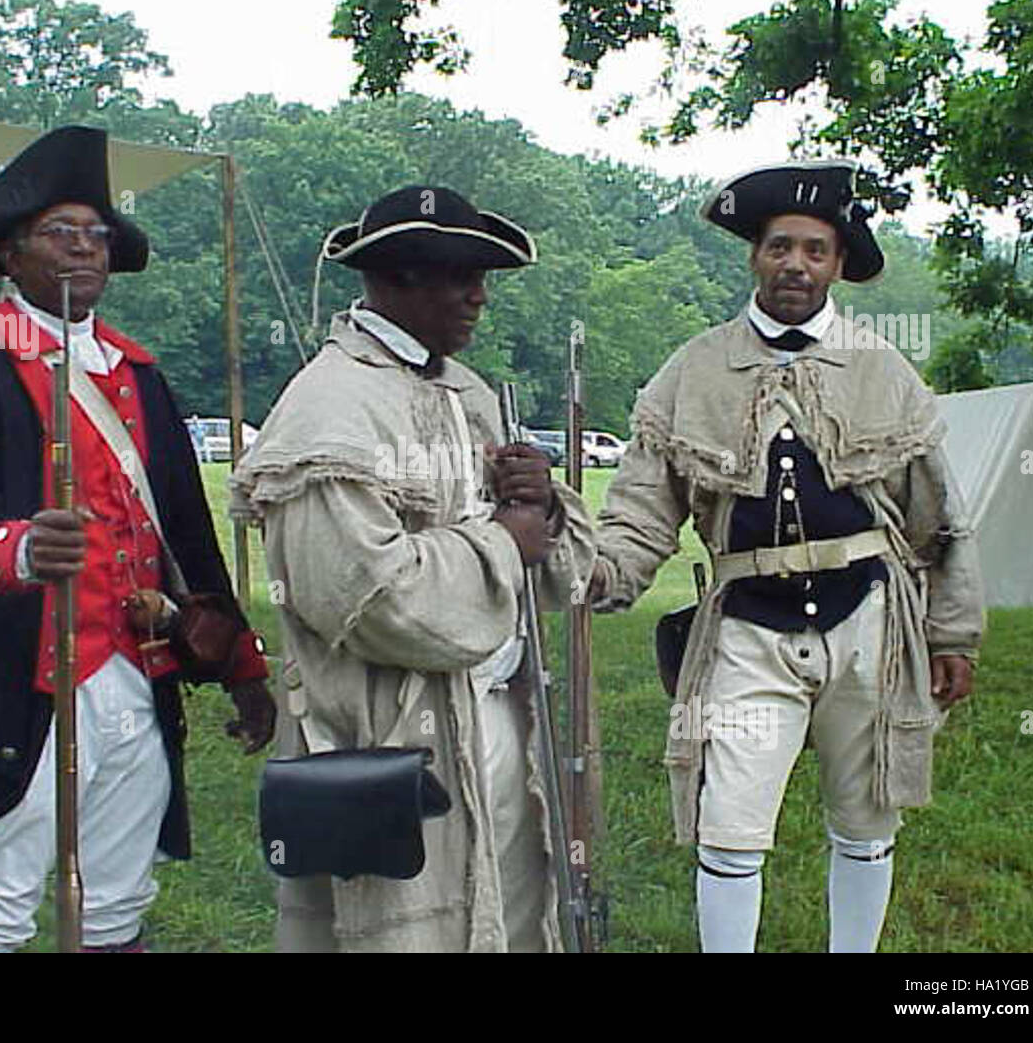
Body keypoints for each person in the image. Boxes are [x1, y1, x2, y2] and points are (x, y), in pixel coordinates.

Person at [590, 160, 985, 953]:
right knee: (729, 825)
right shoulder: (691, 371)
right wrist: (594, 571)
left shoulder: (884, 368)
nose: (795, 264)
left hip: (868, 618)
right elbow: (639, 510)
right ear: (755, 257)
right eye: (779, 247)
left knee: (867, 814)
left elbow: (939, 517)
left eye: (813, 249)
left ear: (838, 263)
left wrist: (953, 633)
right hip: (746, 628)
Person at [0, 125, 275, 953]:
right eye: (59, 232)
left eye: (96, 234)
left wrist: (241, 665)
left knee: (115, 903)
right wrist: (22, 548)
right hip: (19, 676)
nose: (84, 248)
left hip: (134, 678)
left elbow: (187, 531)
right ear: (10, 253)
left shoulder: (138, 373)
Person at [231, 185, 595, 952]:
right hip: (389, 736)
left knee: (512, 925)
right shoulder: (327, 411)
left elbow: (555, 568)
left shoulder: (465, 392)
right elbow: (369, 598)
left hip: (494, 719)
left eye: (483, 275)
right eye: (456, 274)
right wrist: (503, 539)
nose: (478, 296)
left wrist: (540, 503)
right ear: (391, 277)